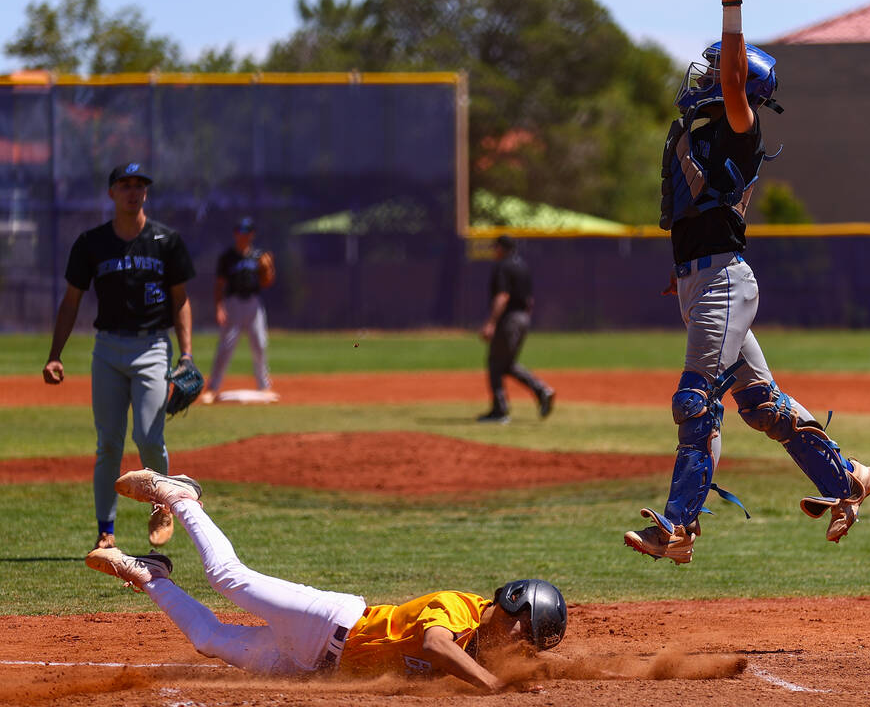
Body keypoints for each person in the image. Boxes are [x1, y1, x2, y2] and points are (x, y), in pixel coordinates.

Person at [623, 0, 870, 565]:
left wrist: (732, 0)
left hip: (722, 283)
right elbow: (698, 212)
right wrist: (680, 272)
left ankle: (680, 528)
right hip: (702, 281)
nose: (705, 74)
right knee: (762, 405)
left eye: (717, 68)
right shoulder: (709, 130)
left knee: (695, 399)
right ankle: (847, 477)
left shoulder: (740, 124)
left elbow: (738, 82)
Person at [86, 469, 567, 693]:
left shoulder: (486, 645)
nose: (520, 640)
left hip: (313, 667)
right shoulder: (458, 609)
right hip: (329, 624)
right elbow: (436, 646)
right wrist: (493, 686)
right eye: (524, 626)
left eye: (531, 642)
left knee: (208, 639)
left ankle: (149, 575)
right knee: (228, 578)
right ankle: (182, 495)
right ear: (511, 599)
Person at [41, 162, 197, 551]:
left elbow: (181, 300)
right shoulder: (91, 243)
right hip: (108, 348)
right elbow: (71, 301)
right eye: (125, 185)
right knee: (108, 443)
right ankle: (105, 530)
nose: (133, 191)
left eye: (139, 185)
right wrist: (55, 354)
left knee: (147, 435)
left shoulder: (166, 240)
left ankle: (163, 506)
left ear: (146, 192)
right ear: (111, 193)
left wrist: (187, 354)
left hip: (153, 347)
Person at [478, 235, 555, 423]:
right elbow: (529, 300)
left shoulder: (503, 267)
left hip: (509, 320)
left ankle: (500, 410)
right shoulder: (522, 266)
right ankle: (541, 390)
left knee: (495, 364)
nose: (493, 251)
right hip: (523, 318)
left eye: (495, 247)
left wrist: (491, 323)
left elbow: (503, 296)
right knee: (507, 363)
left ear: (502, 248)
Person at [200, 216, 276, 404]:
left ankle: (264, 386)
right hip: (233, 303)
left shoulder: (258, 256)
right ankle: (212, 388)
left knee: (259, 344)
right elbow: (219, 285)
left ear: (253, 234)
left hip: (253, 303)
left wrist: (268, 269)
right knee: (226, 347)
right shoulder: (228, 257)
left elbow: (267, 283)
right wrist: (219, 307)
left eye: (248, 232)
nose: (244, 235)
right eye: (241, 231)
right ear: (235, 233)